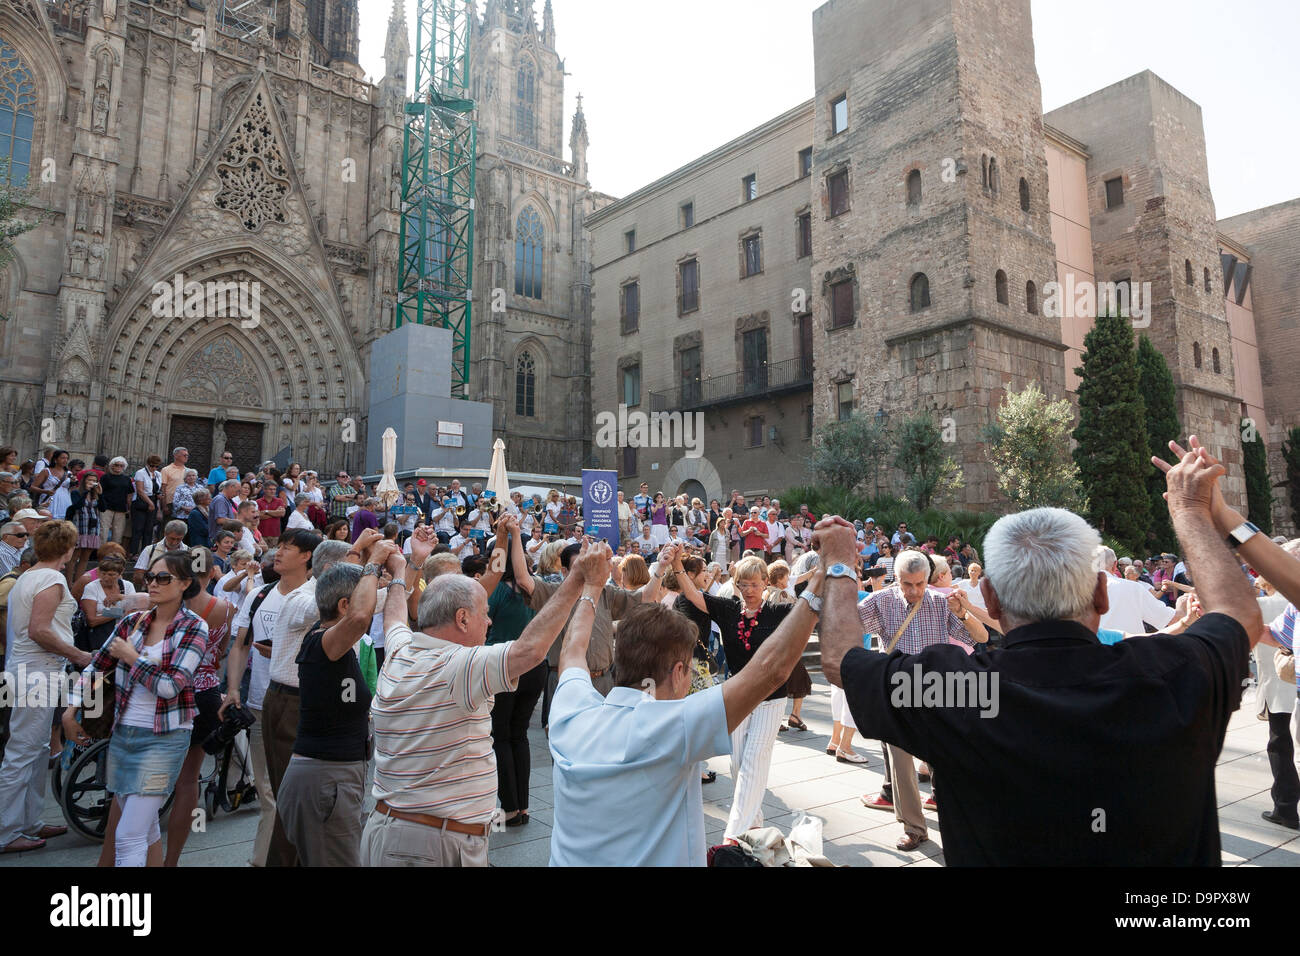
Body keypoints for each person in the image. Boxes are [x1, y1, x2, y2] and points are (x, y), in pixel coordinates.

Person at [819, 438, 1267, 865]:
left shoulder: (955, 687)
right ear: (1101, 594)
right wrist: (1191, 511)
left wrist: (840, 565)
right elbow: (1241, 616)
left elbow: (840, 660)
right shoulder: (1176, 671)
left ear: (990, 599)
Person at [547, 541, 826, 866]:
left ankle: (748, 822)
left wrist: (592, 586)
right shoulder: (677, 728)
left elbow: (572, 650)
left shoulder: (571, 712)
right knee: (744, 768)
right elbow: (773, 670)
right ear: (680, 671)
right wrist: (826, 576)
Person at [361, 542, 604, 867]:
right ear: (462, 618)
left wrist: (400, 571)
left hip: (397, 831)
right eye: (485, 615)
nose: (488, 623)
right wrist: (579, 580)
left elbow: (394, 618)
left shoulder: (401, 650)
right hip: (431, 844)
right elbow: (529, 651)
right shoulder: (457, 667)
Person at [64, 549, 208, 867]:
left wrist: (132, 657)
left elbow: (171, 686)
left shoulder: (194, 627)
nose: (153, 583)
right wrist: (71, 709)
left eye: (163, 578)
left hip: (165, 738)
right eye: (150, 577)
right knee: (146, 827)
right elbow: (96, 668)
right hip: (124, 734)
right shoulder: (133, 622)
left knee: (128, 834)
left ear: (185, 583)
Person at [849, 549, 985, 850]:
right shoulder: (880, 601)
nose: (913, 591)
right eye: (906, 584)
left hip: (936, 687)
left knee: (943, 757)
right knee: (900, 762)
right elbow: (848, 628)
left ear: (929, 579)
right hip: (896, 688)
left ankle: (954, 819)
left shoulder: (941, 601)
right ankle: (913, 827)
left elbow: (980, 637)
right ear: (895, 579)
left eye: (920, 584)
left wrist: (963, 612)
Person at [278, 543, 405, 866]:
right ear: (344, 604)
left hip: (334, 778)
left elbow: (390, 610)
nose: (372, 603)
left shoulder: (331, 642)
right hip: (325, 780)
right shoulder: (322, 642)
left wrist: (405, 568)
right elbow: (362, 616)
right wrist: (373, 563)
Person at [673, 554, 796, 843]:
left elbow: (809, 615)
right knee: (738, 762)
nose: (749, 590)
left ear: (766, 583)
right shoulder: (729, 609)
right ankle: (753, 824)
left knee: (755, 760)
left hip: (770, 697)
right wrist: (677, 566)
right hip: (737, 693)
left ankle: (735, 833)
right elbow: (692, 594)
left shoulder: (778, 611)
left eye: (755, 584)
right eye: (743, 584)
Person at [0, 521, 89, 853]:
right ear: (67, 548)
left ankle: (28, 822)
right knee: (23, 752)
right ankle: (7, 832)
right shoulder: (50, 578)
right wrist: (78, 653)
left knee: (35, 751)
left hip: (31, 670)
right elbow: (39, 629)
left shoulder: (29, 576)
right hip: (36, 672)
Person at [1095, 546, 1176, 635]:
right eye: (1126, 572)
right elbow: (1168, 618)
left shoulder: (1079, 590)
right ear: (1115, 565)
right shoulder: (1133, 588)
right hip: (1129, 645)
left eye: (1129, 573)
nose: (1127, 574)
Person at [131, 455, 164, 556]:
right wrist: (150, 503)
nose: (154, 468)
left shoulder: (158, 474)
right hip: (141, 502)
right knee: (138, 528)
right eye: (152, 466)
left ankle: (146, 553)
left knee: (149, 529)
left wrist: (159, 497)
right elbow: (140, 491)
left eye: (156, 466)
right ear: (147, 464)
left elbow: (157, 489)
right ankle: (133, 552)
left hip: (153, 500)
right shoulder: (140, 473)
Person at [99, 457, 134, 546]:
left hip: (121, 508)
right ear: (112, 466)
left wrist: (129, 508)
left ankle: (114, 553)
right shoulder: (105, 477)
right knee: (103, 531)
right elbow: (100, 492)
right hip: (106, 507)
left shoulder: (126, 479)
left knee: (118, 533)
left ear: (124, 467)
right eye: (116, 465)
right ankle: (100, 552)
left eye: (121, 465)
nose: (119, 467)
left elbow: (129, 494)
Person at [256, 481, 287, 549]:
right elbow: (258, 516)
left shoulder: (279, 501)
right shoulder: (258, 501)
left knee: (273, 556)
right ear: (264, 490)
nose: (272, 491)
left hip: (275, 534)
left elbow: (282, 514)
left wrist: (266, 511)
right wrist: (275, 513)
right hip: (262, 534)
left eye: (274, 489)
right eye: (270, 489)